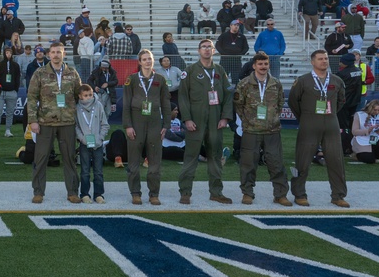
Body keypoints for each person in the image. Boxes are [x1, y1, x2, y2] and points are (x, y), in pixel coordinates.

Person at [288, 49, 350, 208]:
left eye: (326, 58)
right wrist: (305, 117)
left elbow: (342, 101)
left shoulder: (336, 80)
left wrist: (330, 114)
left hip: (331, 122)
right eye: (321, 59)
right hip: (309, 122)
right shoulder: (303, 81)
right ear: (312, 62)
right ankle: (299, 194)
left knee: (336, 160)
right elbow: (293, 102)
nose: (324, 61)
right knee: (302, 160)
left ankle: (338, 195)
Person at [177, 39, 233, 205]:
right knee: (191, 157)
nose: (207, 50)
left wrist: (225, 117)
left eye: (210, 47)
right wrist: (187, 119)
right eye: (204, 47)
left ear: (214, 51)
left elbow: (228, 95)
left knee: (215, 157)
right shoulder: (190, 71)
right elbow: (183, 97)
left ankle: (216, 192)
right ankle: (185, 192)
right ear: (199, 50)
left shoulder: (220, 70)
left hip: (216, 120)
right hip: (196, 120)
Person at [25, 41, 82, 204]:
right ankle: (38, 192)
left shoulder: (72, 72)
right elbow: (31, 98)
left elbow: (79, 95)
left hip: (67, 122)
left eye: (59, 52)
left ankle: (72, 192)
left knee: (69, 158)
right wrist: (33, 121)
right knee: (41, 158)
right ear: (49, 54)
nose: (56, 55)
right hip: (45, 122)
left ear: (64, 54)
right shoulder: (40, 73)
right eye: (53, 52)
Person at [233, 52, 290, 206]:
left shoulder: (276, 83)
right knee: (248, 164)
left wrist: (272, 119)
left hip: (272, 131)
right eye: (260, 64)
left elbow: (279, 103)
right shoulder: (244, 84)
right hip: (251, 131)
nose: (263, 67)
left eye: (265, 64)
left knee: (276, 163)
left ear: (268, 65)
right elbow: (238, 105)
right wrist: (248, 121)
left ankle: (280, 194)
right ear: (254, 66)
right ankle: (247, 193)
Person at [122, 50, 172, 205]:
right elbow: (126, 104)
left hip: (155, 121)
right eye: (144, 59)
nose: (147, 62)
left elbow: (166, 103)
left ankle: (154, 193)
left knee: (155, 159)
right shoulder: (131, 79)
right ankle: (135, 193)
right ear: (139, 62)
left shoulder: (160, 79)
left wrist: (166, 124)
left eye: (149, 59)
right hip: (136, 120)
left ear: (153, 60)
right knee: (134, 161)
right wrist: (128, 126)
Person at [76, 84, 109, 204]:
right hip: (84, 144)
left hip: (98, 144)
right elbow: (76, 127)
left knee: (98, 171)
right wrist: (81, 139)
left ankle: (98, 194)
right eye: (85, 95)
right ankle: (85, 194)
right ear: (80, 96)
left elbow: (105, 124)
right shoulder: (77, 108)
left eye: (90, 95)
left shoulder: (98, 105)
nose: (89, 97)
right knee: (85, 170)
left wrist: (100, 138)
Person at [351, 99, 379, 163]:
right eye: (375, 110)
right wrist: (367, 130)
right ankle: (356, 154)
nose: (377, 112)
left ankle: (376, 156)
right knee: (369, 160)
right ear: (370, 108)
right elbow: (354, 131)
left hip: (375, 138)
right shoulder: (359, 115)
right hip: (362, 139)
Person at [0, 46, 20, 138]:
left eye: (10, 53)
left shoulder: (15, 65)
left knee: (10, 112)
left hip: (12, 92)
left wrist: (16, 90)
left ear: (12, 54)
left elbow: (17, 78)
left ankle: (8, 130)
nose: (8, 54)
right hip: (1, 92)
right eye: (7, 53)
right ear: (4, 53)